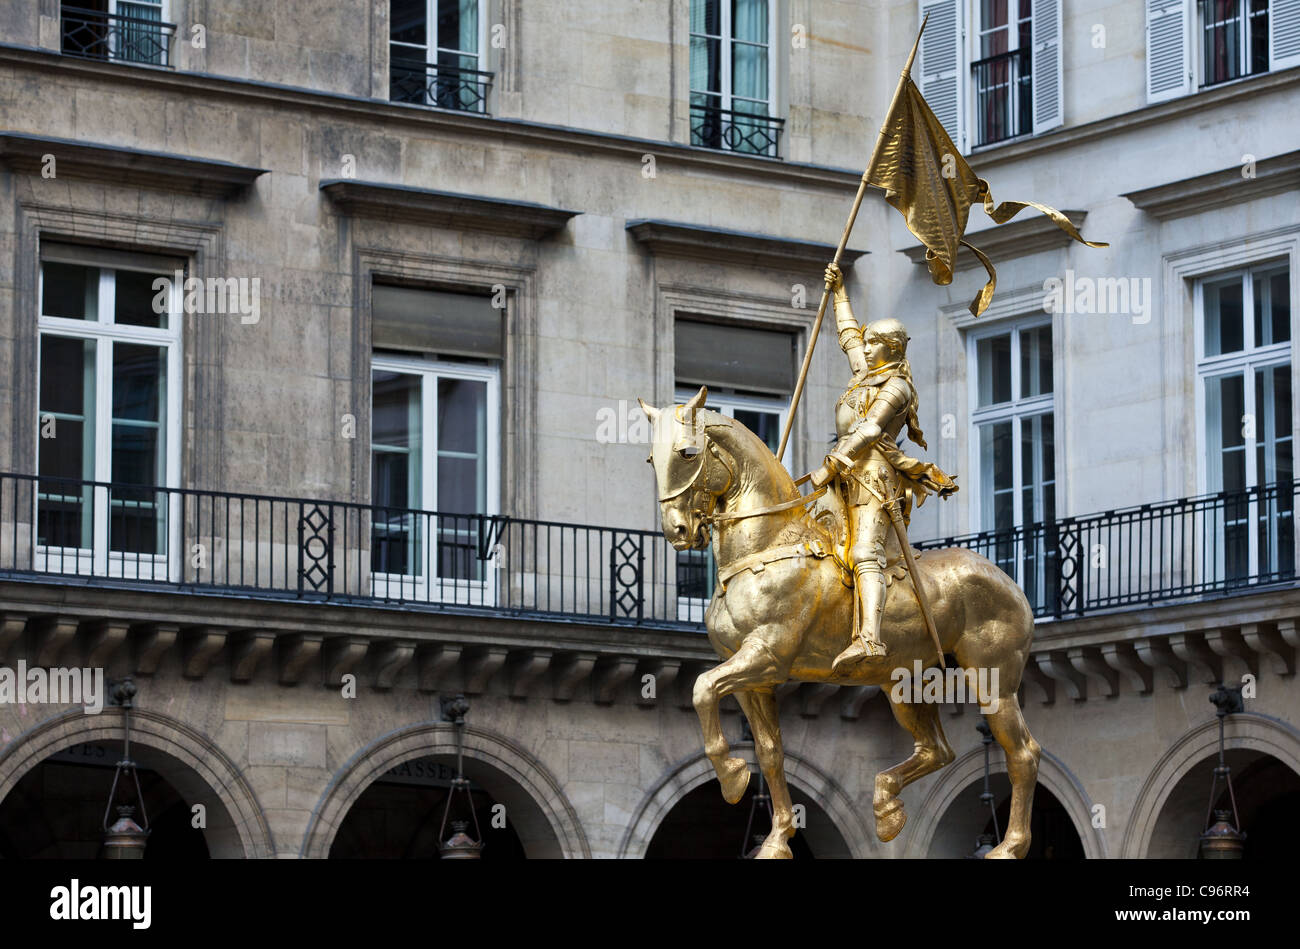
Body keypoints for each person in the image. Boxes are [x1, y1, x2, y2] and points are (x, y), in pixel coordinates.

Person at [808, 263, 957, 672]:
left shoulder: (897, 386)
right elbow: (848, 337)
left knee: (864, 553)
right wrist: (839, 293)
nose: (866, 347)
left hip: (874, 476)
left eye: (874, 343)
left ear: (891, 349)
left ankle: (869, 638)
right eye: (869, 342)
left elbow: (871, 427)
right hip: (845, 475)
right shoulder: (865, 375)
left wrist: (836, 459)